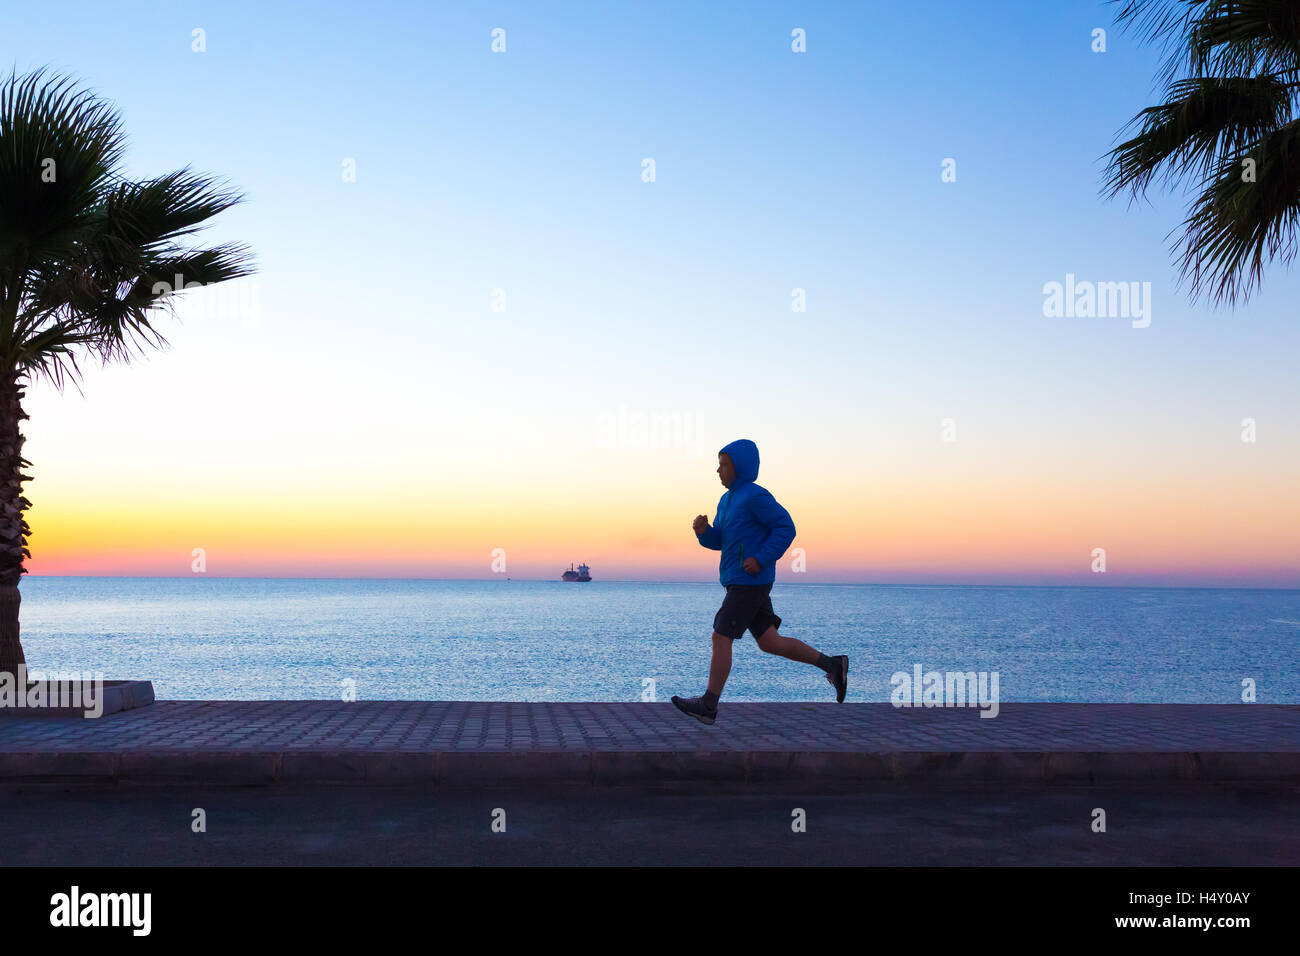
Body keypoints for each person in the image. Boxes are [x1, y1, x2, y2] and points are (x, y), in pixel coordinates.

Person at [671, 438, 848, 725]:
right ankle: (833, 664)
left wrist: (762, 559)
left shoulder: (756, 496)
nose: (718, 471)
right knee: (769, 642)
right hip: (738, 580)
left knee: (721, 635)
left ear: (739, 467)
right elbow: (723, 541)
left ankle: (709, 704)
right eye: (718, 465)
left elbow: (786, 527)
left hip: (750, 581)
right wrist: (704, 532)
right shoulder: (726, 500)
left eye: (724, 465)